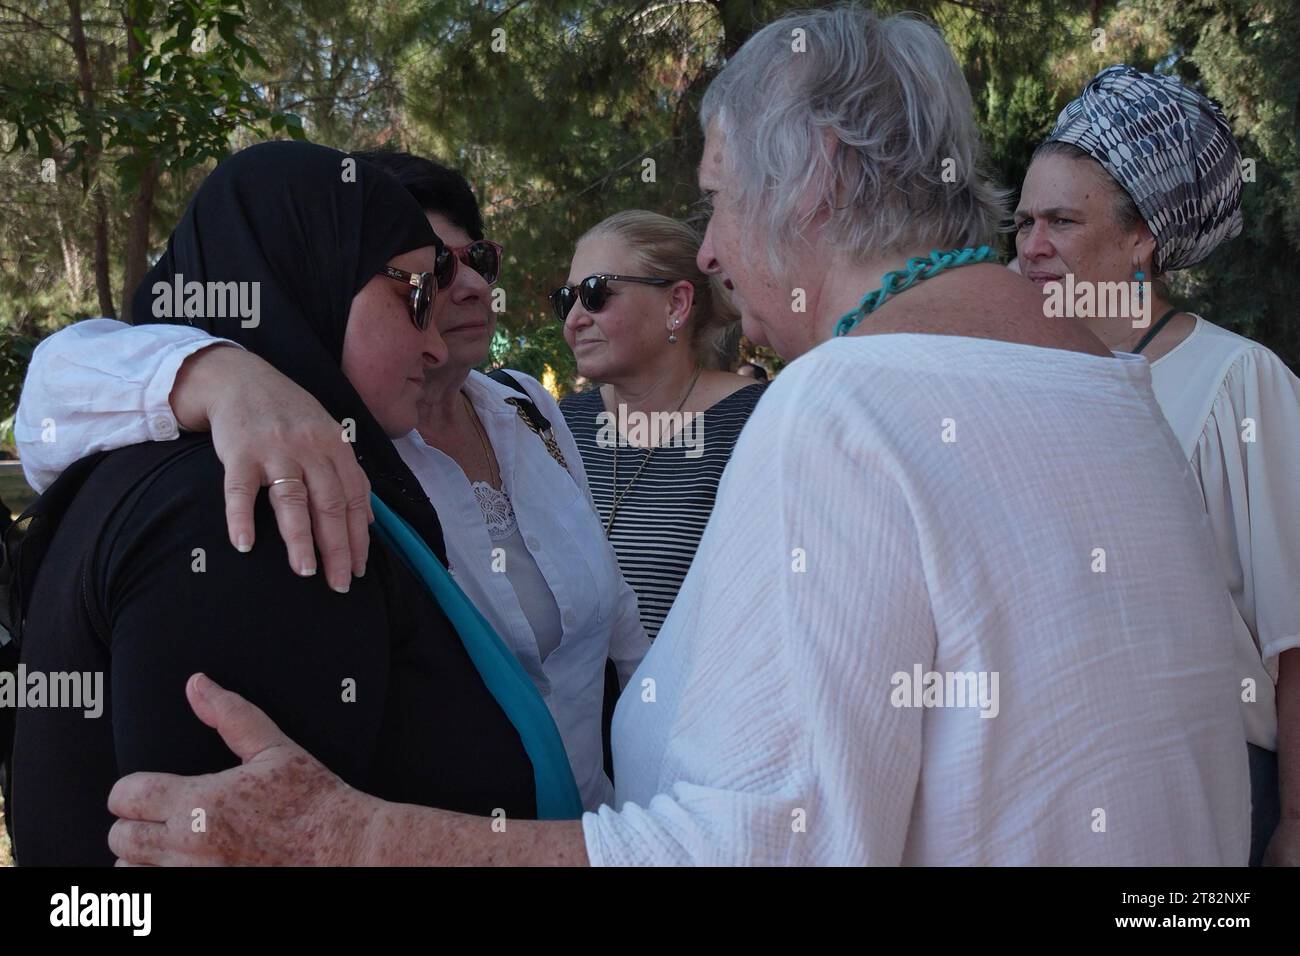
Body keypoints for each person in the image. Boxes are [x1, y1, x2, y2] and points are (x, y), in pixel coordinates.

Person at [108, 6, 1248, 866]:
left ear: (817, 182)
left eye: (718, 199)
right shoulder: (1109, 382)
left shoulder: (843, 407)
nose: (705, 252)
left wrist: (345, 839)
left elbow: (749, 848)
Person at [12, 150, 647, 811]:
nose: (438, 332)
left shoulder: (518, 408)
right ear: (316, 265)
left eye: (477, 263)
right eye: (418, 292)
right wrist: (220, 374)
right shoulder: (265, 496)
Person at [1016, 65, 1300, 866]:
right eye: (1025, 221)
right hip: (1053, 789)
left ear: (1141, 237)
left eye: (1062, 222)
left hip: (1209, 790)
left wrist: (1296, 825)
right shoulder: (1026, 381)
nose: (1032, 247)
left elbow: (1295, 636)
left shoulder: (1239, 381)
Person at [557, 211, 764, 640]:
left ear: (676, 304)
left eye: (595, 294)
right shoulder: (556, 425)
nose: (573, 319)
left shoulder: (759, 422)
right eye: (566, 299)